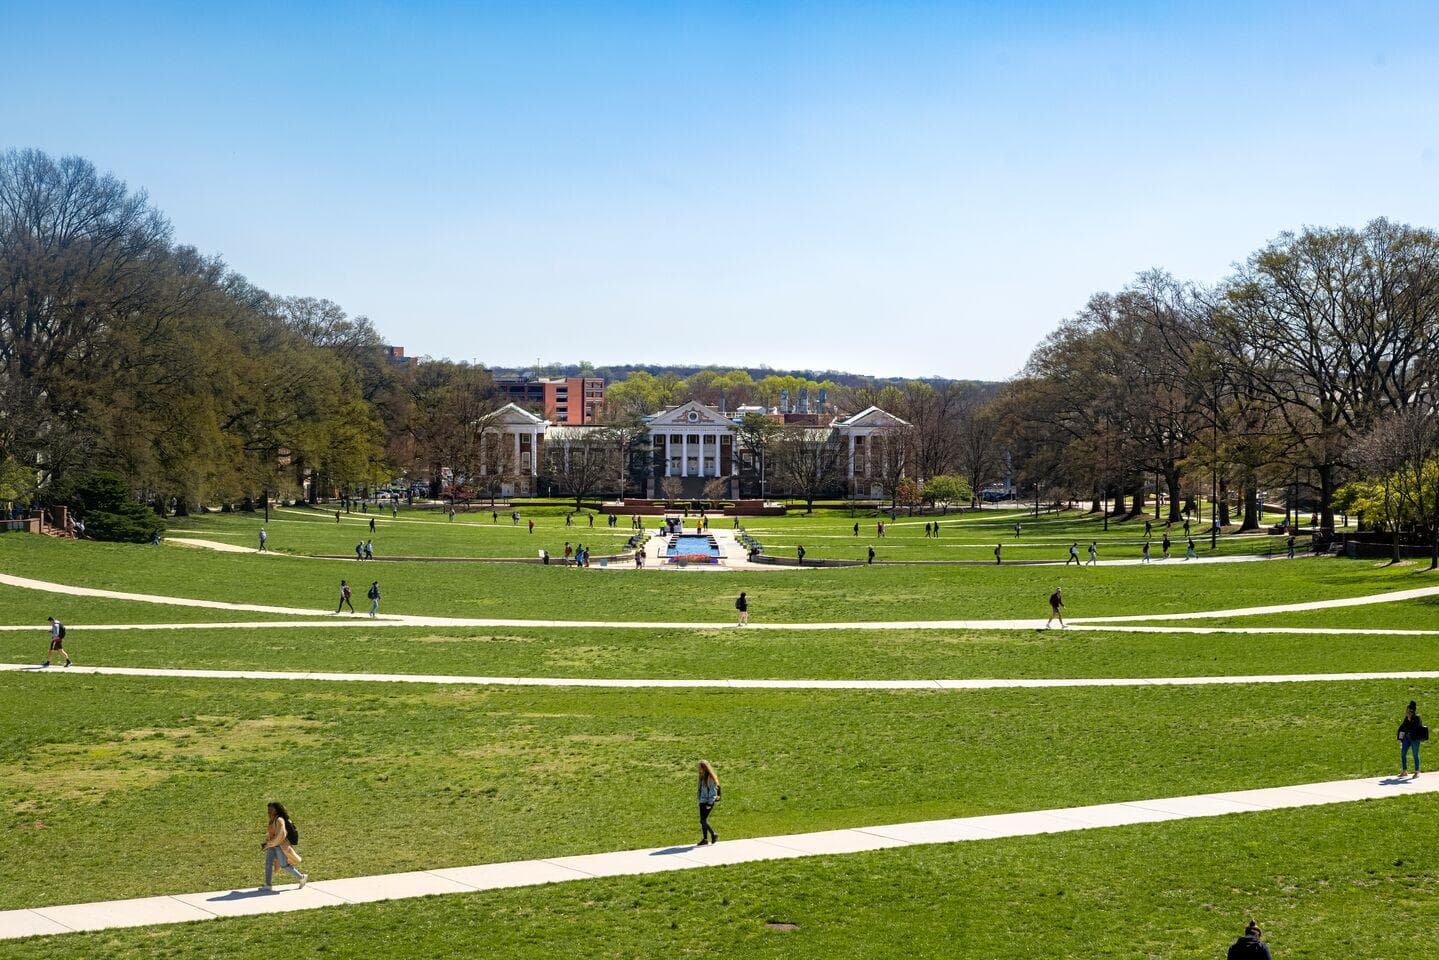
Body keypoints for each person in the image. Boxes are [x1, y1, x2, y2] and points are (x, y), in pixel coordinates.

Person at [260, 801, 308, 890]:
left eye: (271, 809)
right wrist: (268, 841)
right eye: (268, 809)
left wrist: (269, 844)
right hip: (273, 846)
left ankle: (302, 877)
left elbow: (281, 835)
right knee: (268, 863)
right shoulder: (272, 819)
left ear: (276, 810)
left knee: (284, 865)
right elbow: (272, 833)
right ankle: (268, 885)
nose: (269, 811)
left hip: (280, 846)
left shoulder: (279, 820)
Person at [1399, 700, 1427, 778]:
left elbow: (1416, 728)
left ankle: (1417, 771)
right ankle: (1404, 771)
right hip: (1407, 738)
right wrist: (1400, 737)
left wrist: (1410, 719)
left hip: (1415, 739)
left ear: (1411, 711)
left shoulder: (1417, 718)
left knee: (1415, 754)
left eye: (1408, 711)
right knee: (1403, 753)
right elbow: (1402, 727)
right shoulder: (1406, 718)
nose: (1406, 712)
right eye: (1406, 711)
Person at [696, 760, 721, 845]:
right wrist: (699, 799)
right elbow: (699, 789)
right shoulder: (701, 776)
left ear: (704, 768)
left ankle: (713, 835)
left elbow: (713, 792)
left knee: (703, 820)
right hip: (702, 801)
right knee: (703, 820)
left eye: (699, 767)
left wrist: (710, 803)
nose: (698, 768)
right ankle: (705, 839)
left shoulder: (710, 777)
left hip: (708, 802)